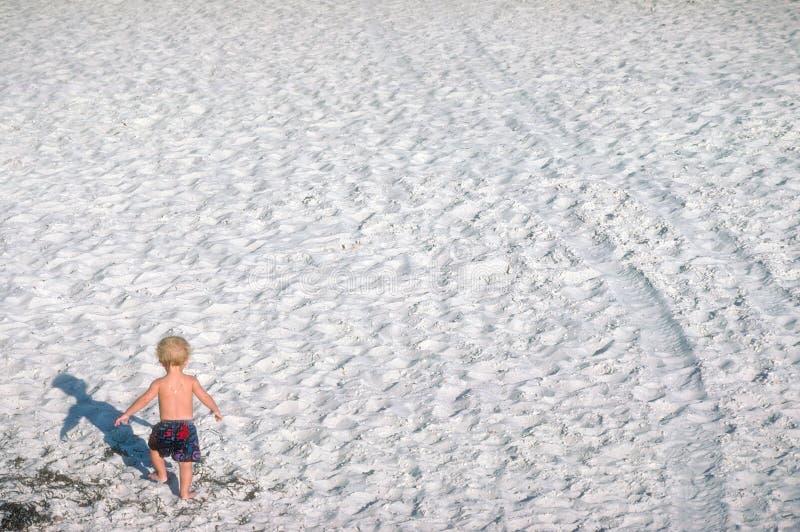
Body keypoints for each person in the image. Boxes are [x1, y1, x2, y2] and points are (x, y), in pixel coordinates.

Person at [115, 336, 222, 499]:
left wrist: (127, 413)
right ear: (186, 361)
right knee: (185, 463)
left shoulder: (159, 383)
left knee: (155, 450)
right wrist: (215, 409)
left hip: (165, 427)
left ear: (161, 362)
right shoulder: (191, 381)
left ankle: (162, 475)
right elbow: (204, 396)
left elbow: (144, 400)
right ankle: (184, 493)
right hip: (186, 428)